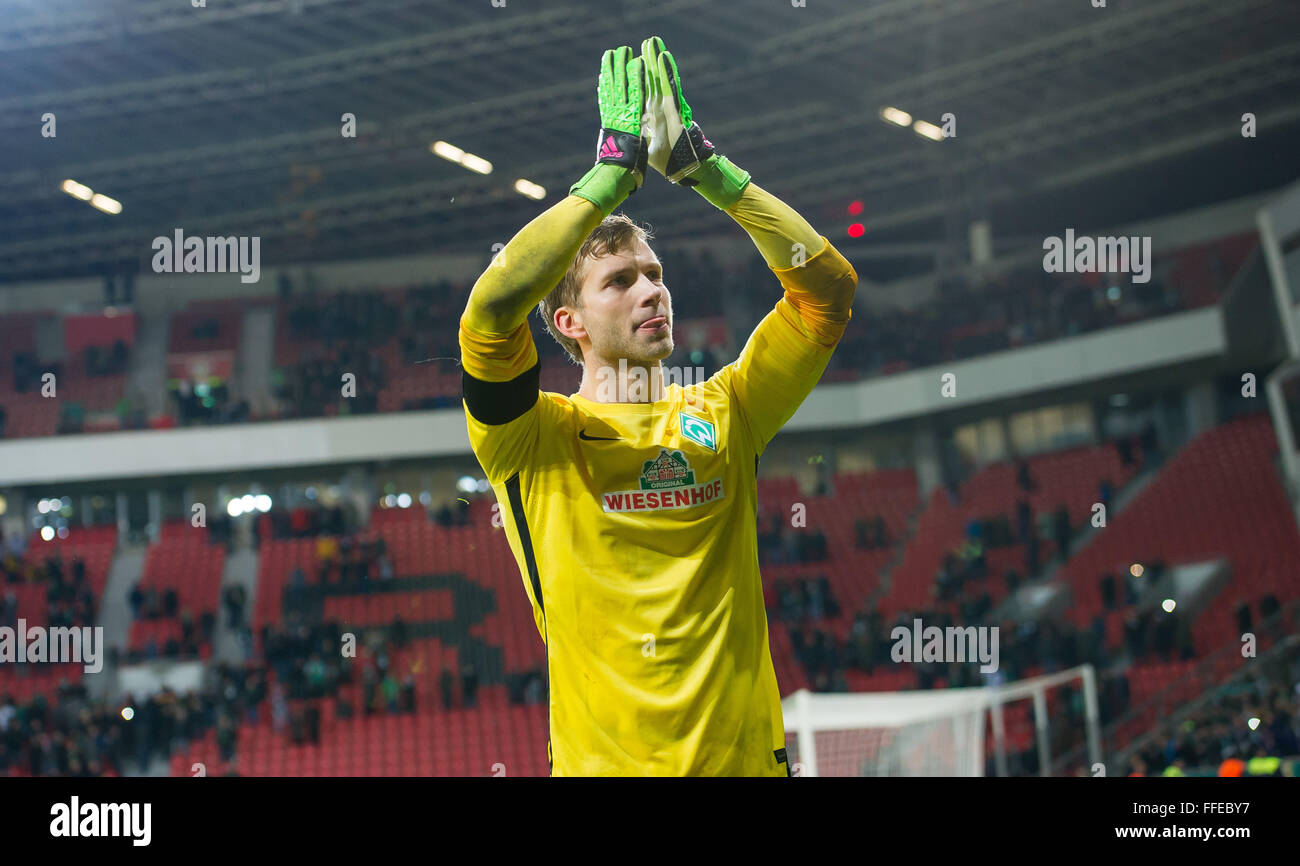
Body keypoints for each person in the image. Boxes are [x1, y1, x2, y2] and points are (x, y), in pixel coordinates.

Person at [459, 39, 856, 776]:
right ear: (568, 323)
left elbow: (826, 293)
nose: (652, 290)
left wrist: (708, 170)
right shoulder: (532, 438)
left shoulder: (728, 409)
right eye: (619, 281)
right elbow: (489, 315)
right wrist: (609, 178)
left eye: (655, 273)